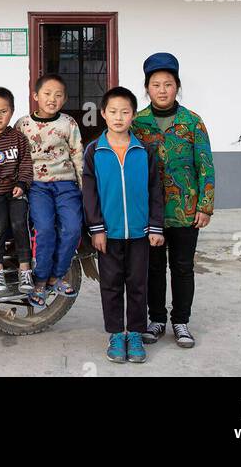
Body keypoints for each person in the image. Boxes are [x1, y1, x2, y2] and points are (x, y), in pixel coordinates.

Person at [132, 51, 215, 350]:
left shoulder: (192, 122)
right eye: (156, 85)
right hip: (150, 211)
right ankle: (156, 319)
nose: (162, 90)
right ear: (147, 88)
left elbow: (205, 164)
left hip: (185, 210)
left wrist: (205, 205)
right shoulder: (137, 123)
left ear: (177, 86)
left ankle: (181, 321)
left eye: (168, 84)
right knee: (153, 268)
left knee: (182, 267)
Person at [82, 87, 164, 365]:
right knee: (111, 285)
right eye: (113, 112)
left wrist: (155, 226)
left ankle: (136, 334)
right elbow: (89, 193)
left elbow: (155, 190)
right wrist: (96, 228)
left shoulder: (144, 151)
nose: (119, 117)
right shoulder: (94, 150)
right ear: (103, 114)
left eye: (125, 112)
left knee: (138, 284)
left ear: (133, 115)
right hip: (108, 233)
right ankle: (117, 334)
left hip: (140, 233)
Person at [18, 74, 84, 306]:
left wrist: (84, 188)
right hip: (37, 186)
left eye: (58, 95)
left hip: (66, 185)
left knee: (73, 228)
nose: (52, 99)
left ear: (64, 99)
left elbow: (77, 155)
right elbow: (18, 158)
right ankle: (40, 279)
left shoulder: (69, 123)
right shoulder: (23, 124)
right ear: (35, 96)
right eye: (47, 94)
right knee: (45, 229)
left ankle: (57, 275)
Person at [0, 86, 35, 298]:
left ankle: (25, 270)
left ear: (12, 111)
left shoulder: (18, 138)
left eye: (4, 111)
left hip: (15, 191)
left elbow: (26, 163)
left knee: (20, 224)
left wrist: (22, 183)